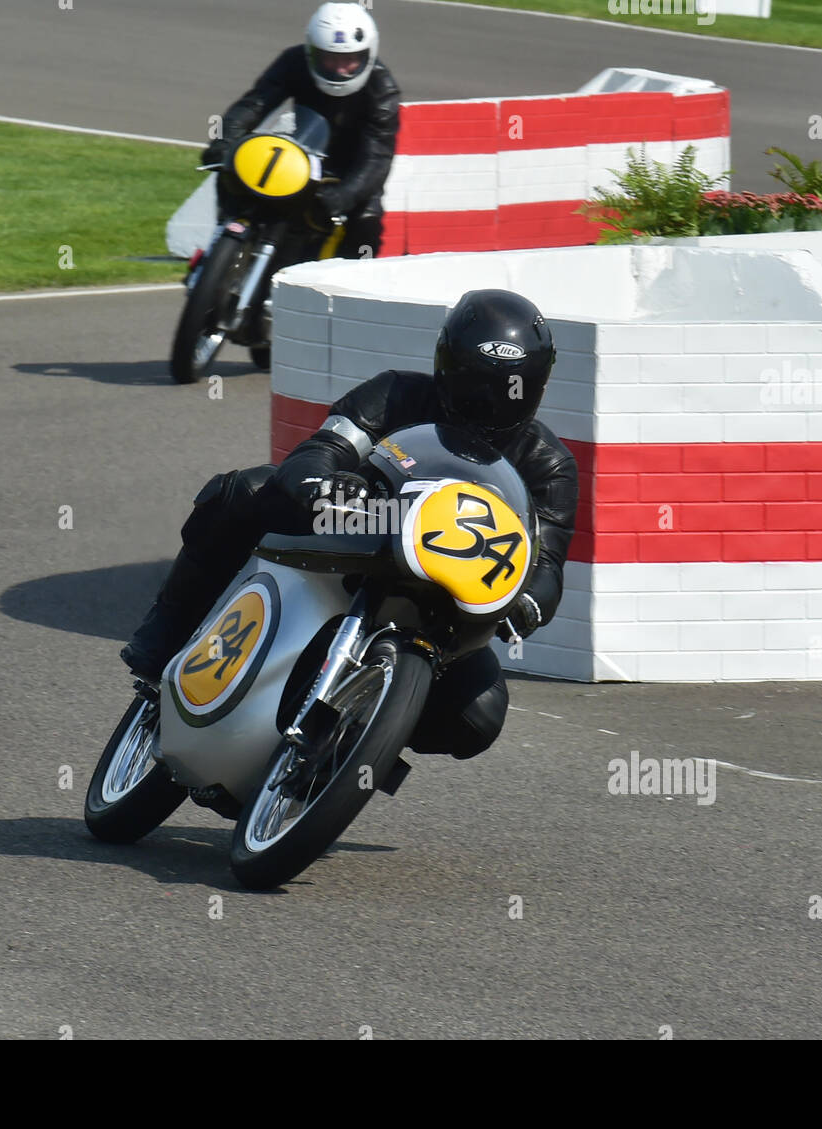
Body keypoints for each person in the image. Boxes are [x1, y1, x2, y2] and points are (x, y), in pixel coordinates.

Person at [121, 290, 579, 761]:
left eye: (507, 390)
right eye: (475, 383)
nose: (489, 402)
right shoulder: (397, 393)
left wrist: (530, 601)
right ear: (446, 365)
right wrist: (323, 480)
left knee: (479, 714)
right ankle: (168, 631)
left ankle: (360, 738)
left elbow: (547, 563)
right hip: (357, 528)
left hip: (449, 594)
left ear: (536, 386)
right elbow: (324, 447)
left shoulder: (549, 466)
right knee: (242, 491)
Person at [200, 2, 400, 259]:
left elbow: (377, 157)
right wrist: (223, 141)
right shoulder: (293, 61)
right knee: (233, 173)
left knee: (366, 225)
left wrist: (344, 195)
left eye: (349, 60)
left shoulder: (383, 90)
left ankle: (345, 291)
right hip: (298, 155)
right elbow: (254, 104)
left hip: (349, 172)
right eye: (331, 58)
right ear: (312, 53)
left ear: (367, 55)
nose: (340, 69)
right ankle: (221, 243)